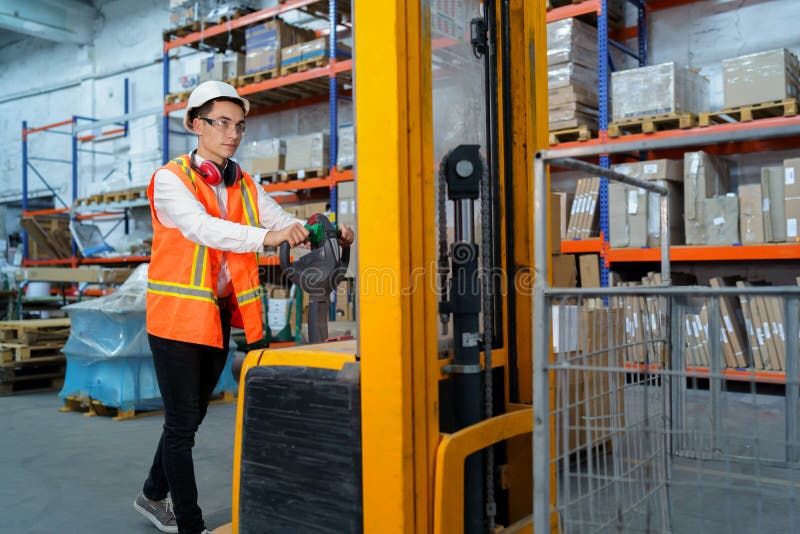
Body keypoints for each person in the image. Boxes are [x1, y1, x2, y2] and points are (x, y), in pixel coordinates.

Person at [133, 80, 354, 534]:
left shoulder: (243, 183)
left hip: (215, 316)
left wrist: (325, 229)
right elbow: (204, 229)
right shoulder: (170, 180)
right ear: (196, 124)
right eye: (221, 123)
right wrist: (266, 238)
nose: (232, 133)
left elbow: (280, 220)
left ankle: (152, 494)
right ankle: (190, 524)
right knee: (181, 427)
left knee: (191, 417)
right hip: (175, 320)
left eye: (239, 125)